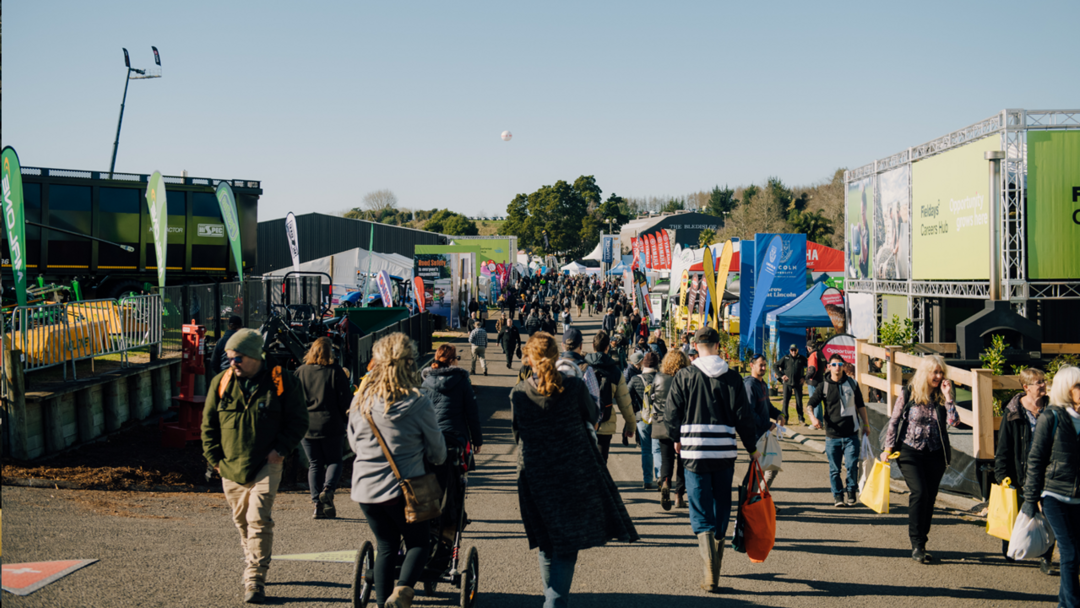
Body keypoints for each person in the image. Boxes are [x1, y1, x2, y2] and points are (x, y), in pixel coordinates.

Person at [511, 332, 639, 608]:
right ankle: (554, 602)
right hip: (572, 471)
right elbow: (594, 416)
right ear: (557, 356)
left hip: (534, 474)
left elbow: (517, 432)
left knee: (547, 542)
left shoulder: (519, 394)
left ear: (528, 359)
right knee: (566, 544)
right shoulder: (572, 387)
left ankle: (553, 600)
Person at [201, 328, 308, 604]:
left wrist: (281, 450)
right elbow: (208, 426)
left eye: (237, 358)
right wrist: (215, 461)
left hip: (266, 463)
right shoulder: (220, 383)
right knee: (241, 522)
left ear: (255, 356)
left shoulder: (282, 381)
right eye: (229, 358)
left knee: (258, 519)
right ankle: (253, 559)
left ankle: (255, 578)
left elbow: (298, 421)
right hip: (230, 466)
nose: (232, 364)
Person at [349, 333, 447, 608]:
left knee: (387, 546)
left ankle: (382, 604)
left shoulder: (361, 401)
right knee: (419, 543)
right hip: (404, 489)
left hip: (365, 489)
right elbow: (437, 452)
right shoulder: (418, 403)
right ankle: (402, 591)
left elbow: (354, 443)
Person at [665, 327, 760, 593]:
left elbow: (672, 413)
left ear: (696, 347)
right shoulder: (733, 378)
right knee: (722, 502)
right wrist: (752, 448)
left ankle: (710, 571)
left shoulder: (684, 375)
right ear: (718, 347)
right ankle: (716, 563)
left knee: (699, 505)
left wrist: (675, 437)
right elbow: (744, 417)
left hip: (694, 451)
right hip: (724, 452)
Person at [881, 354, 960, 564]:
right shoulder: (909, 392)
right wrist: (888, 448)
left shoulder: (943, 395)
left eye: (941, 372)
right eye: (935, 372)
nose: (938, 376)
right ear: (925, 373)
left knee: (930, 498)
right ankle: (916, 544)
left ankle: (923, 542)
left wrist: (949, 397)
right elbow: (894, 420)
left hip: (935, 453)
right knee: (920, 492)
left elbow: (954, 421)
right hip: (909, 451)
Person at [1023, 366, 1080, 607]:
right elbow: (1036, 460)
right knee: (1070, 552)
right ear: (1066, 390)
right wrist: (1030, 500)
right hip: (1054, 495)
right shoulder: (1052, 417)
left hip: (1078, 496)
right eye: (1077, 385)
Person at [421, 344, 483, 544]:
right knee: (457, 478)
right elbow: (471, 412)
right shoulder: (462, 380)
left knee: (432, 476)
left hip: (431, 439)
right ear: (453, 360)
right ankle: (454, 515)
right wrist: (477, 439)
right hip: (456, 438)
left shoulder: (426, 382)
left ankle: (432, 517)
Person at [994, 367, 1053, 573]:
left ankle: (1046, 557)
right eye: (1038, 382)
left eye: (1043, 381)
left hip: (1047, 471)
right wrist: (1002, 475)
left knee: (1047, 514)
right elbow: (1004, 447)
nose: (1043, 385)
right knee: (1018, 512)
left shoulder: (1052, 410)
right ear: (1026, 387)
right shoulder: (1013, 412)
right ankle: (1011, 545)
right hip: (1020, 472)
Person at [295, 337, 353, 520]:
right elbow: (346, 401)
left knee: (315, 464)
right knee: (335, 460)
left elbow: (293, 399)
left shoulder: (300, 372)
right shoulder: (336, 372)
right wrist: (348, 421)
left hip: (307, 425)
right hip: (331, 423)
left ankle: (317, 504)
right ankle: (328, 489)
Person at [807, 354, 870, 507]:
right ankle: (838, 496)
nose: (837, 367)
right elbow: (810, 405)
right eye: (834, 364)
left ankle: (851, 492)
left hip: (851, 434)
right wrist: (813, 419)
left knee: (852, 466)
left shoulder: (852, 384)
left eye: (840, 364)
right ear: (828, 367)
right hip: (832, 436)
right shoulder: (823, 386)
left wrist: (866, 425)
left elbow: (861, 405)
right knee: (834, 470)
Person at [585, 329, 637, 463]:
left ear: (593, 346)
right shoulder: (615, 371)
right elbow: (625, 401)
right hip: (605, 422)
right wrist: (630, 425)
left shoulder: (584, 367)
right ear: (608, 347)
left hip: (586, 422)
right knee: (602, 463)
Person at [655, 350, 689, 510]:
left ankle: (666, 481)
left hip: (662, 423)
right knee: (682, 461)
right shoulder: (685, 379)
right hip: (682, 424)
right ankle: (678, 495)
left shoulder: (659, 378)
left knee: (666, 459)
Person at [744, 353, 783, 489]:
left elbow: (768, 407)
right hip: (755, 435)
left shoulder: (763, 384)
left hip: (764, 435)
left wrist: (779, 414)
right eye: (760, 365)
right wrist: (767, 424)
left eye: (765, 365)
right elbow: (749, 413)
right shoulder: (749, 385)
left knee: (769, 469)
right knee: (758, 472)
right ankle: (750, 503)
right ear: (751, 366)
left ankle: (759, 500)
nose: (763, 368)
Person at [629, 352, 661, 489]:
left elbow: (627, 396)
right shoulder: (662, 378)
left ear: (644, 364)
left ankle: (647, 480)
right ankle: (660, 477)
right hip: (659, 419)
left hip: (642, 418)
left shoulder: (635, 379)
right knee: (657, 449)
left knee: (646, 450)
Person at [774, 344, 807, 425]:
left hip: (798, 383)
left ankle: (801, 419)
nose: (793, 352)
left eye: (795, 350)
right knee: (785, 401)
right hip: (787, 383)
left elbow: (810, 367)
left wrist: (804, 377)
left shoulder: (801, 358)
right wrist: (781, 376)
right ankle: (785, 419)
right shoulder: (786, 358)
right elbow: (775, 366)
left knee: (799, 401)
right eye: (792, 350)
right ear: (790, 350)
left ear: (797, 350)